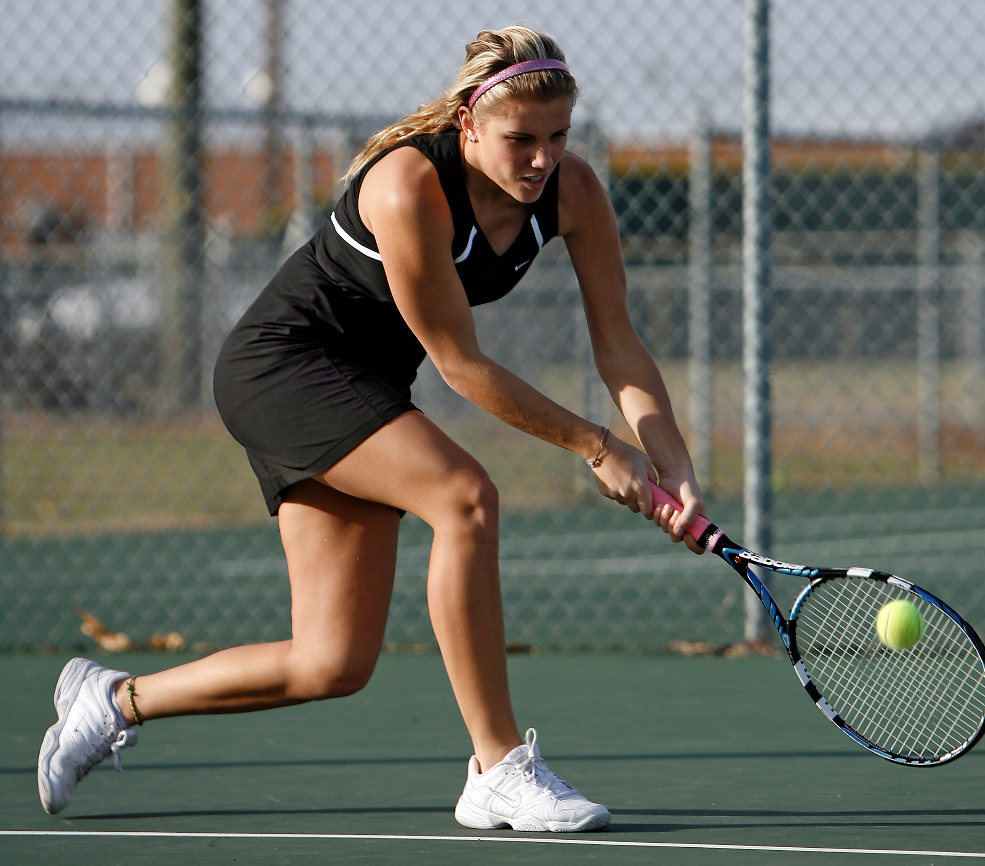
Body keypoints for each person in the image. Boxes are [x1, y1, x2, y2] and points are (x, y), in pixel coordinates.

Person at [37, 25, 704, 832]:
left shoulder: (576, 193)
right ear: (468, 124)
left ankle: (112, 699)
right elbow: (459, 364)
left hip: (366, 388)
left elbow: (619, 342)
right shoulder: (408, 186)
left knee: (332, 663)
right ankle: (497, 767)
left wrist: (675, 465)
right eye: (520, 139)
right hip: (281, 370)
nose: (541, 159)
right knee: (465, 497)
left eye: (557, 137)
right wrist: (597, 446)